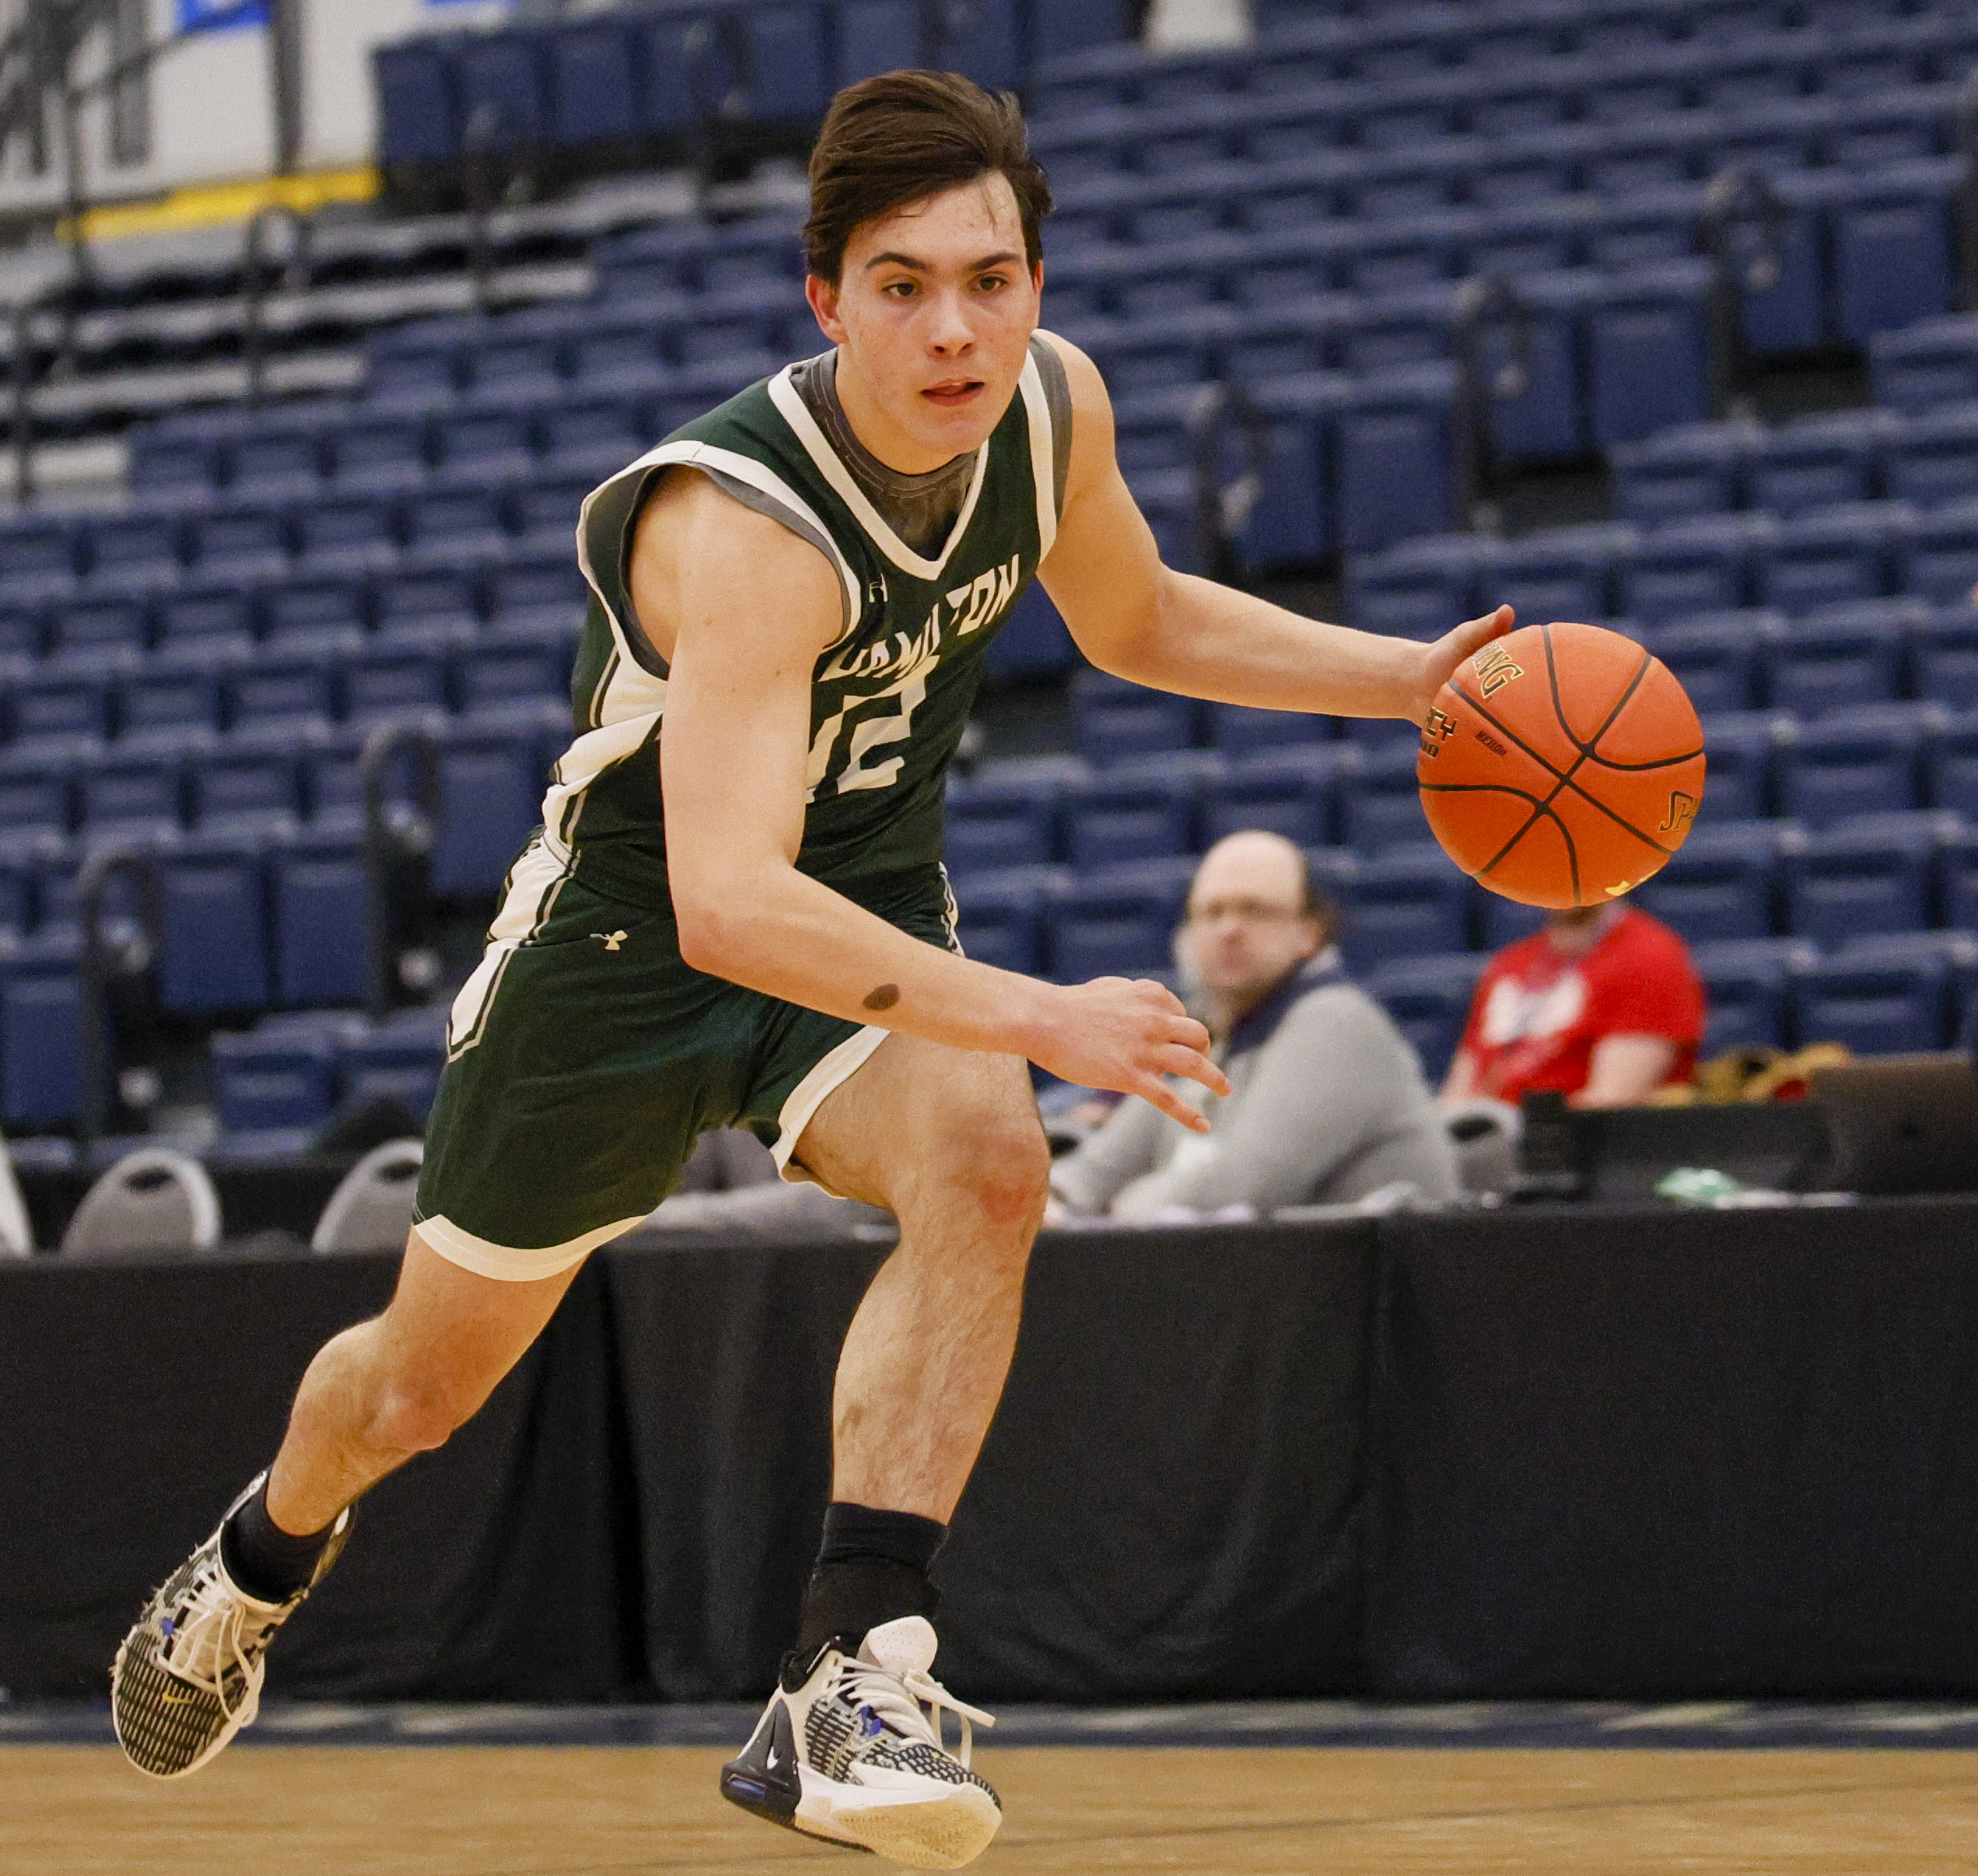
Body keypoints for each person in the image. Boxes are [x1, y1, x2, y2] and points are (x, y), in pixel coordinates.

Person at [110, 72, 1512, 1869]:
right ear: (824, 300)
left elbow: (1141, 617)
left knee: (994, 1163)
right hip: (623, 947)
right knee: (420, 1389)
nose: (955, 327)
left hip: (848, 898)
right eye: (903, 284)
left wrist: (1403, 678)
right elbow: (722, 905)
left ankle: (843, 1669)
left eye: (989, 279)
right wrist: (1035, 1007)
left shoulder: (1048, 407)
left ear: (1033, 279)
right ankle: (256, 1555)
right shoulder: (750, 527)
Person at [1049, 831, 1458, 1221]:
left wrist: (1115, 1210)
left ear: (1309, 934)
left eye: (1255, 910)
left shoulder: (1337, 1021)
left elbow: (1237, 1190)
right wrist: (1051, 1204)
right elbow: (1096, 1170)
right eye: (1212, 912)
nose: (1229, 930)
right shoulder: (1208, 1027)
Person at [1442, 898, 1705, 1111]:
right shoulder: (1508, 964)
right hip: (1493, 1142)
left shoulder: (1649, 957)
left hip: (1576, 1157)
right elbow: (1459, 1091)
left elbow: (1610, 1104)